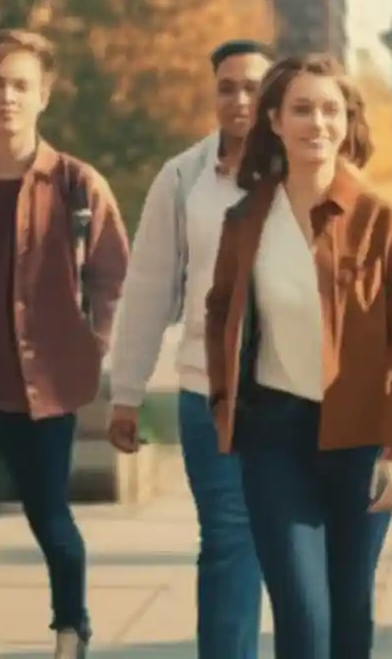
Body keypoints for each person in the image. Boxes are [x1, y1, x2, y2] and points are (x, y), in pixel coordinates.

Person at [204, 54, 392, 659]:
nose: (318, 123)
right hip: (275, 437)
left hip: (362, 440)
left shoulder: (384, 220)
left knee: (349, 617)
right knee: (303, 619)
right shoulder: (246, 220)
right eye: (302, 109)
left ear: (348, 122)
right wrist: (225, 403)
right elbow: (220, 312)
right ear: (274, 120)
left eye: (331, 109)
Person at [0, 29, 130, 658]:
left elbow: (114, 275)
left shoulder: (76, 184)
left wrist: (92, 346)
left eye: (20, 85)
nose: (6, 96)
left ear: (43, 96)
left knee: (51, 522)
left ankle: (71, 626)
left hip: (44, 386)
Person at [105, 39, 274, 658]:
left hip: (291, 392)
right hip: (208, 388)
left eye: (253, 87)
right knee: (229, 540)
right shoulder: (182, 178)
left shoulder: (304, 171)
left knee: (287, 547)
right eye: (227, 87)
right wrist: (126, 393)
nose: (240, 99)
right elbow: (148, 286)